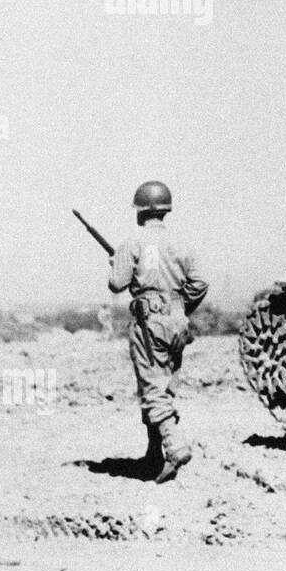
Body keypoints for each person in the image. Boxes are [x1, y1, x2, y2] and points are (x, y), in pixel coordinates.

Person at [107, 181, 208, 482]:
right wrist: (179, 308)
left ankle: (175, 448)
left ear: (140, 210)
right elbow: (200, 282)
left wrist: (116, 263)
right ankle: (154, 455)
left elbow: (116, 283)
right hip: (178, 321)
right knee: (163, 388)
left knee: (152, 389)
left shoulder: (133, 241)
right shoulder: (182, 242)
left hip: (148, 321)